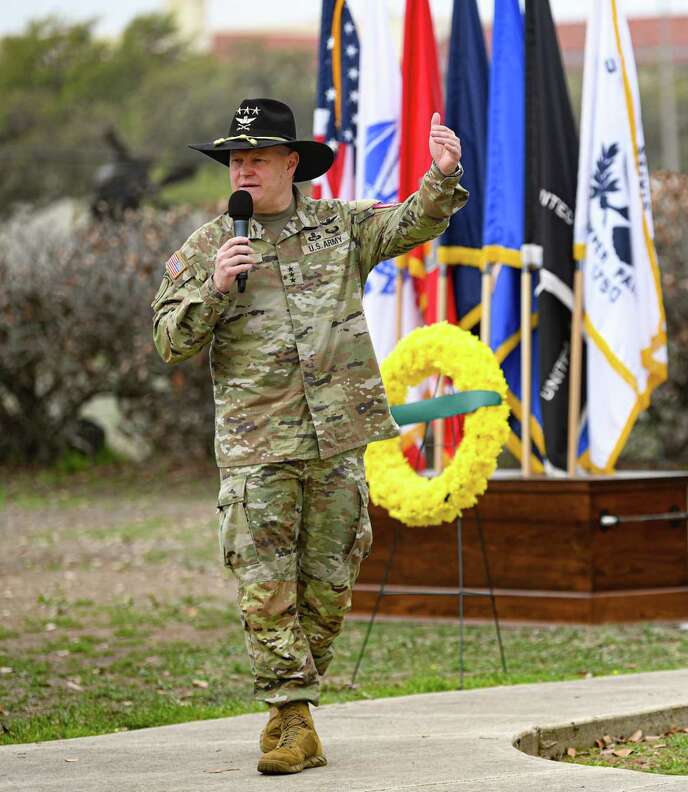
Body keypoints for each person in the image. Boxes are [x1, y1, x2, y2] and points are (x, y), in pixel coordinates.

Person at [151, 98, 466, 775]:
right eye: (235, 160)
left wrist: (441, 175)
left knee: (328, 585)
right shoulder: (208, 247)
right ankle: (290, 718)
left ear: (291, 164)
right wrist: (213, 288)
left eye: (257, 159)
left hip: (337, 440)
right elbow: (169, 341)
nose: (244, 171)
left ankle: (298, 708)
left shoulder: (340, 226)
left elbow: (413, 222)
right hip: (257, 447)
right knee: (266, 587)